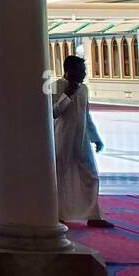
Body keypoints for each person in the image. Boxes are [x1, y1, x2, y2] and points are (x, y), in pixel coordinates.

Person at [53, 55, 112, 227]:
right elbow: (54, 112)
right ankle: (58, 215)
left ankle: (93, 216)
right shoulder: (55, 87)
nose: (84, 74)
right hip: (62, 139)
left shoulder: (84, 89)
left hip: (81, 140)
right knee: (61, 178)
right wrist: (67, 94)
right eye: (81, 71)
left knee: (91, 175)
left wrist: (96, 138)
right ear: (69, 71)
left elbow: (86, 115)